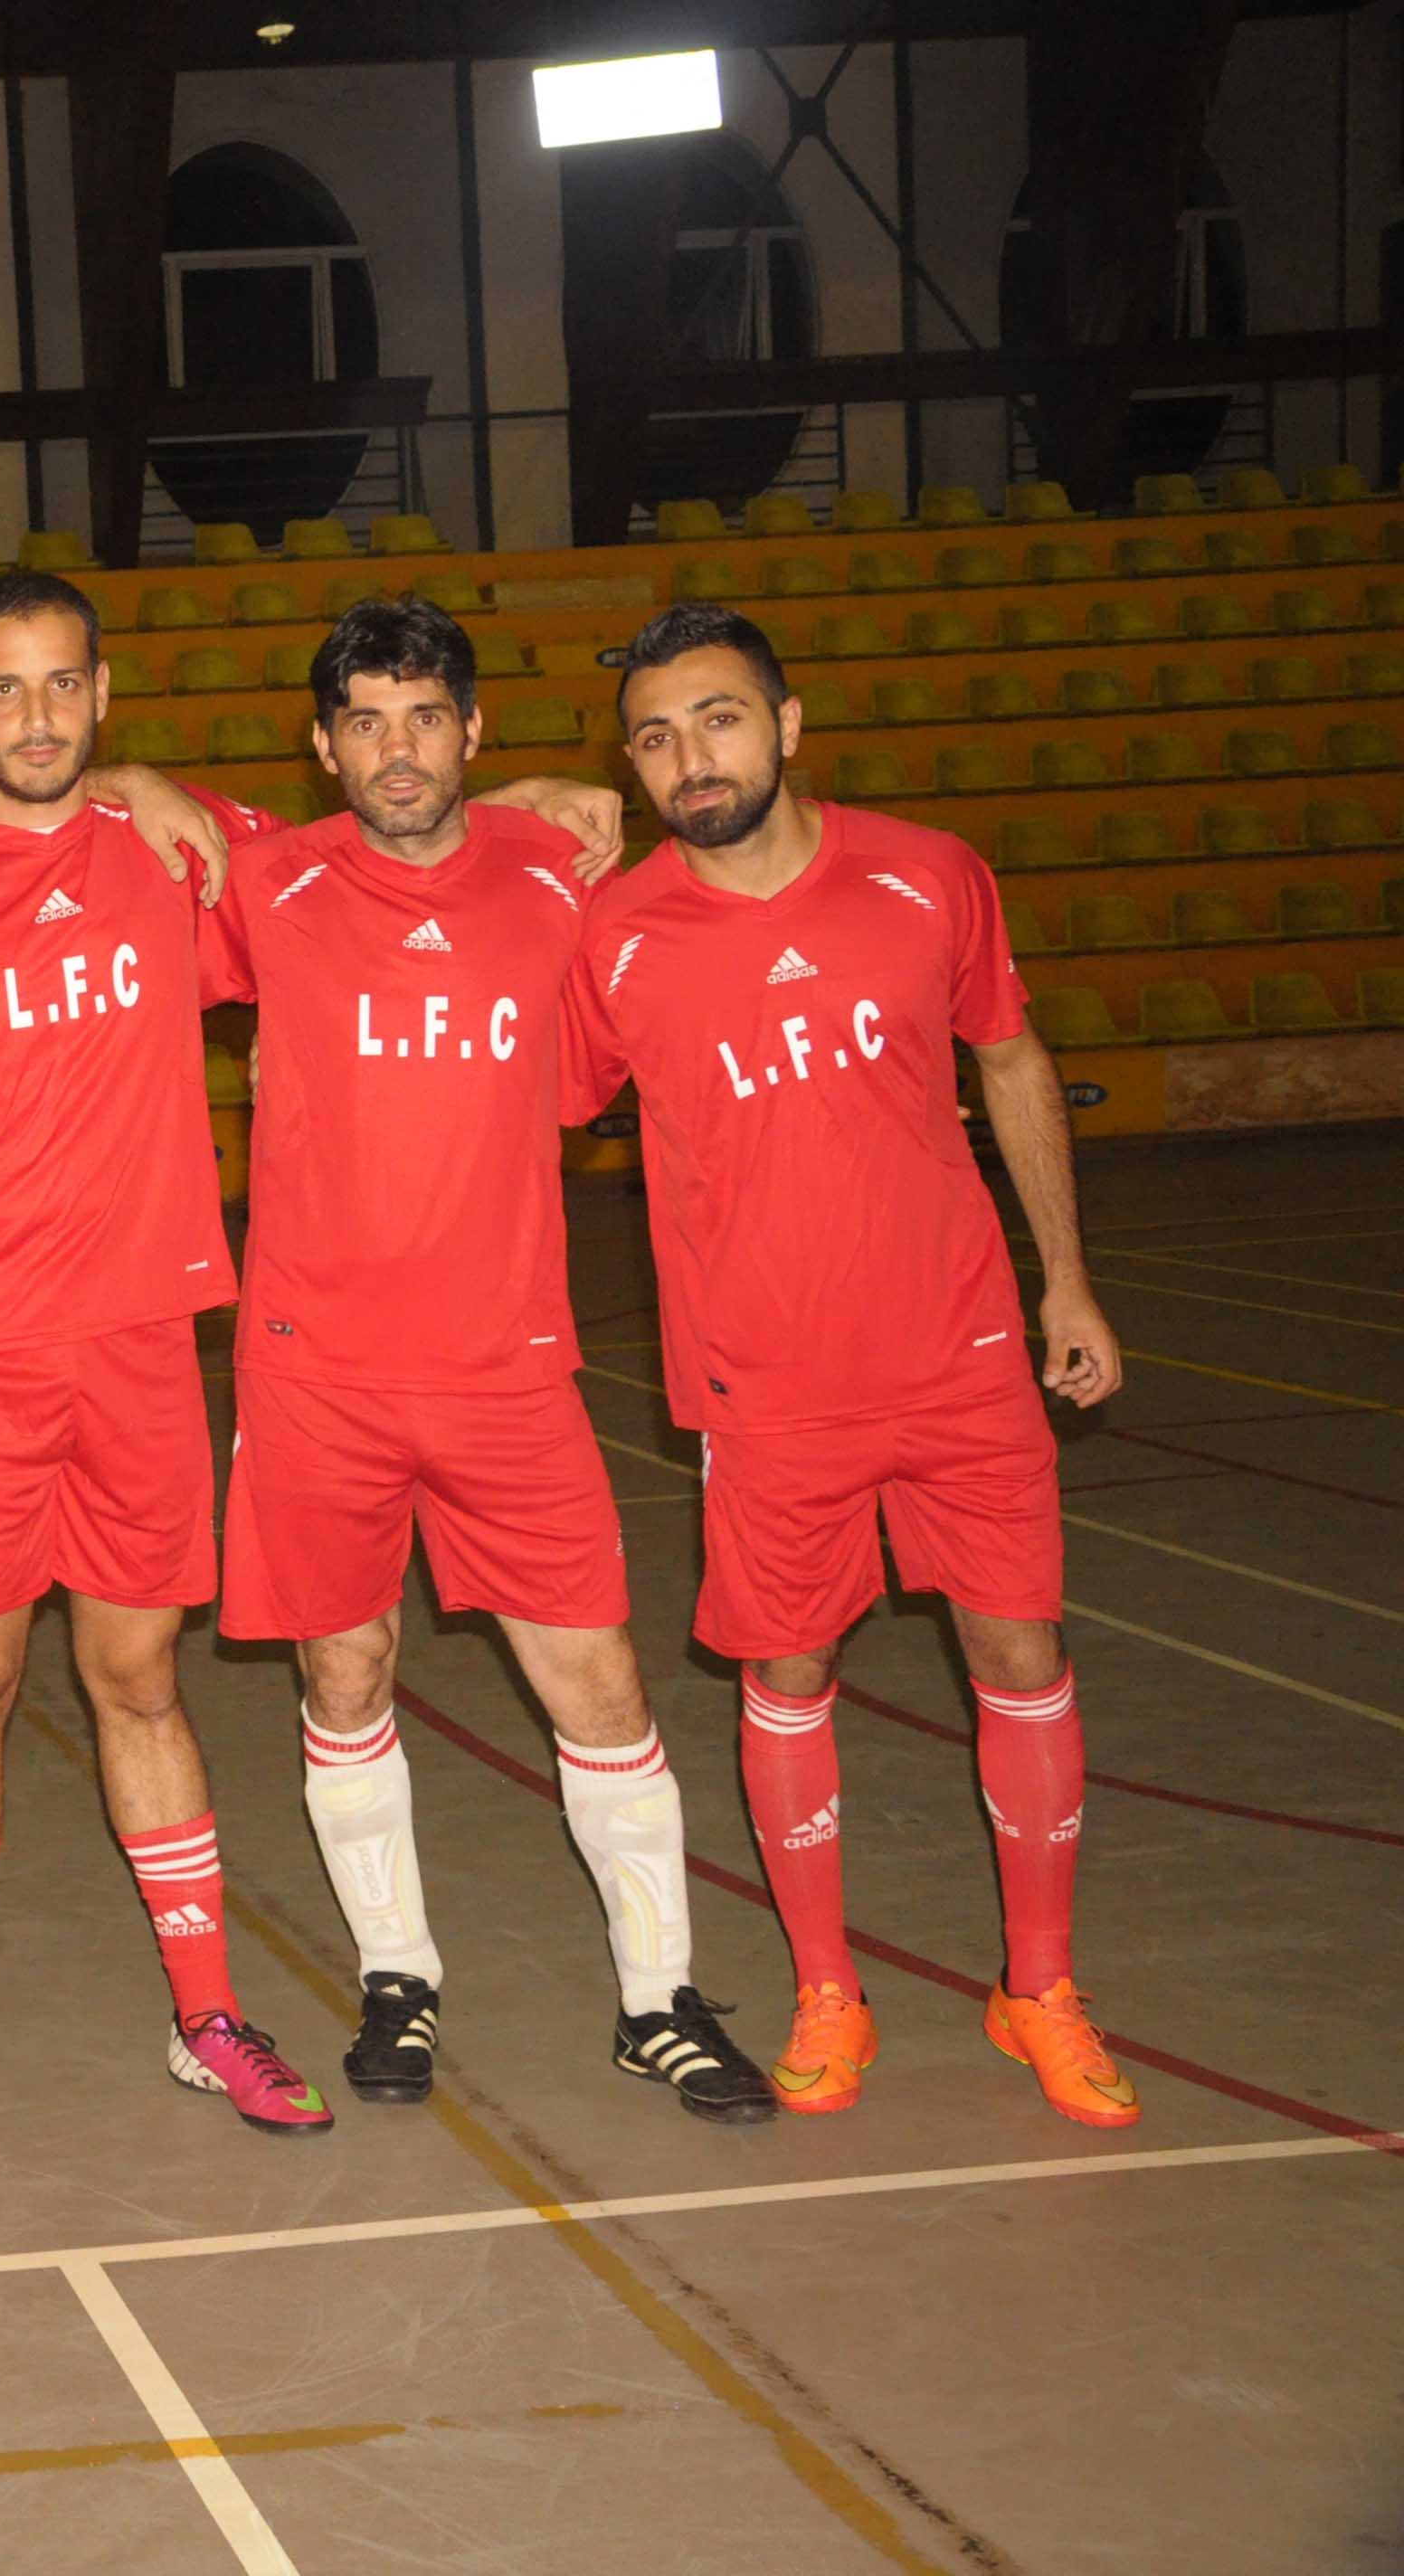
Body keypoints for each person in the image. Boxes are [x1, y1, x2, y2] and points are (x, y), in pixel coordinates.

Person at [194, 597, 772, 2119]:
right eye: (366, 722)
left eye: (426, 717)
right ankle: (398, 1972)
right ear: (323, 746)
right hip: (316, 1368)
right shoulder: (265, 884)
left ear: (472, 732)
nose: (398, 749)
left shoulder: (564, 877)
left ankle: (659, 1998)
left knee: (601, 1682)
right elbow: (113, 846)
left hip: (509, 1367)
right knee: (345, 1671)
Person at [0, 570, 334, 2159]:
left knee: (139, 1679)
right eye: (3, 691)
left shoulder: (169, 852)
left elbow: (380, 832)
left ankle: (208, 2014)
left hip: (140, 1339)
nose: (33, 718)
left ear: (101, 697)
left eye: (61, 690)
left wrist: (157, 787)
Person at [566, 603, 1131, 2126]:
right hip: (764, 1387)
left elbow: (1008, 1057)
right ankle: (828, 1990)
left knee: (1019, 1653)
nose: (692, 758)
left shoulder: (928, 875)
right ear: (629, 765)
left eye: (721, 719)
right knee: (790, 1667)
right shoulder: (616, 933)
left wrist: (1063, 1276)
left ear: (790, 723)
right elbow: (516, 1103)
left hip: (958, 1354)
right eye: (657, 736)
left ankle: (1041, 1989)